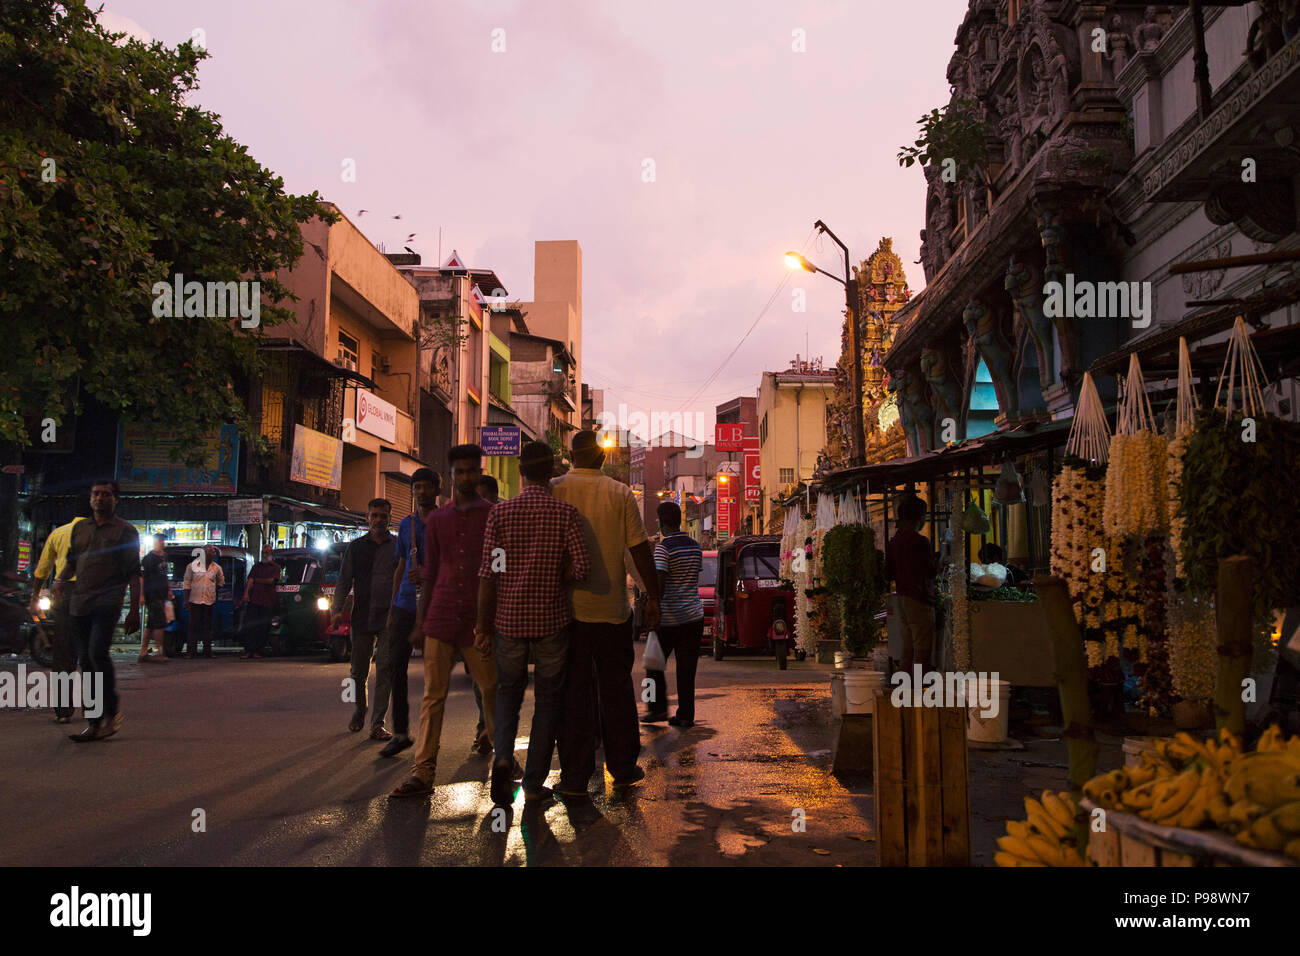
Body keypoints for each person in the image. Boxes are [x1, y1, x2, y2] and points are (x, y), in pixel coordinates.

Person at [476, 440, 590, 805]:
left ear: (522, 472)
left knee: (507, 696)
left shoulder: (500, 514)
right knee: (548, 702)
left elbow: (489, 573)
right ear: (552, 472)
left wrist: (482, 627)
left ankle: (505, 757)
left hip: (508, 621)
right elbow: (582, 567)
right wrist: (559, 573)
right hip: (552, 621)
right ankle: (534, 783)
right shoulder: (565, 513)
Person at [550, 430, 661, 796]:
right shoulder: (620, 492)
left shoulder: (553, 489)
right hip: (613, 611)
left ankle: (575, 777)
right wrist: (653, 597)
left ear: (572, 456)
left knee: (574, 695)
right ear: (600, 458)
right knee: (616, 692)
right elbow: (639, 550)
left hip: (568, 614)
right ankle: (624, 767)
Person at [389, 445, 499, 799]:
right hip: (439, 617)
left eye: (472, 471)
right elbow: (430, 573)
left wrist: (492, 622)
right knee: (433, 697)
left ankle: (506, 760)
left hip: (478, 622)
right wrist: (420, 622)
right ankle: (422, 772)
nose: (466, 477)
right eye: (460, 472)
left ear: (479, 473)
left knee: (493, 689)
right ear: (450, 476)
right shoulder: (436, 521)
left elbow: (499, 571)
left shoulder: (493, 516)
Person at [54, 481, 140, 742]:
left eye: (106, 494)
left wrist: (134, 610)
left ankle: (111, 712)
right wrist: (59, 581)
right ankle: (93, 722)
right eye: (96, 494)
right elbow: (71, 561)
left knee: (96, 653)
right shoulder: (81, 528)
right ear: (90, 499)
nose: (100, 498)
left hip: (108, 600)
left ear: (115, 500)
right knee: (85, 662)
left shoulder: (125, 531)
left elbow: (134, 573)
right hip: (80, 602)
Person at [381, 468, 441, 757]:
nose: (421, 492)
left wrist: (428, 573)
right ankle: (401, 732)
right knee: (396, 667)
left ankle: (476, 729)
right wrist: (393, 607)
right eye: (417, 487)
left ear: (437, 490)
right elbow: (401, 566)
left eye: (427, 486)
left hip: (438, 604)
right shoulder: (406, 525)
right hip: (405, 603)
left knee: (436, 673)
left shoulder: (447, 523)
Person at [332, 499, 396, 740]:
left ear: (390, 517)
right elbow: (344, 580)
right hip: (362, 617)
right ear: (367, 518)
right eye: (374, 516)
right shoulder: (356, 547)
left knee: (385, 669)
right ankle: (360, 709)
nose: (379, 520)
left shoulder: (397, 546)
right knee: (358, 671)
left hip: (389, 618)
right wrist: (336, 609)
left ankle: (377, 723)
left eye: (383, 516)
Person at [642, 501, 703, 728]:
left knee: (653, 664)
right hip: (693, 616)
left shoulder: (663, 548)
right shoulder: (695, 546)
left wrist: (652, 607)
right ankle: (686, 715)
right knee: (687, 669)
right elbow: (692, 578)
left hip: (667, 618)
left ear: (662, 521)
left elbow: (660, 581)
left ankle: (655, 709)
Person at [30, 515, 86, 722]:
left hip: (64, 594)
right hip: (89, 592)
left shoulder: (58, 533)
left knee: (63, 655)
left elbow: (42, 568)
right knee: (92, 654)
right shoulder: (97, 533)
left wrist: (35, 596)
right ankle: (93, 710)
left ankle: (63, 711)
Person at [885, 494, 938, 673]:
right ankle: (917, 691)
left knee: (907, 647)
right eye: (924, 517)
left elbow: (889, 572)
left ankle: (905, 690)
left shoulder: (894, 542)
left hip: (901, 597)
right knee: (922, 650)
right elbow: (929, 572)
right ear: (919, 517)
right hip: (919, 599)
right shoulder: (920, 542)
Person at [182, 545, 224, 659]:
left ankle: (207, 651)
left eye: (213, 553)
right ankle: (191, 651)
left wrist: (212, 590)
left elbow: (221, 582)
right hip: (195, 600)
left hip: (209, 601)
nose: (212, 554)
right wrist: (186, 600)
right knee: (193, 627)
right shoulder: (192, 566)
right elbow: (186, 583)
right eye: (210, 552)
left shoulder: (217, 568)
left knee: (207, 627)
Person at [239, 545, 281, 659]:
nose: (265, 554)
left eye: (267, 552)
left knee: (263, 627)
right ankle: (249, 650)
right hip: (254, 599)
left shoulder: (275, 567)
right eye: (264, 552)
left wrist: (257, 580)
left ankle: (258, 650)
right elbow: (250, 580)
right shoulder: (256, 566)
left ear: (271, 553)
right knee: (250, 626)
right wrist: (246, 593)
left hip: (267, 601)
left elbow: (271, 581)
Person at [138, 533, 172, 662]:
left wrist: (168, 589)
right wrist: (141, 595)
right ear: (155, 542)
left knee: (151, 624)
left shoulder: (165, 557)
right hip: (152, 594)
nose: (162, 543)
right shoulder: (148, 558)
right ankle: (159, 651)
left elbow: (165, 575)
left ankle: (143, 652)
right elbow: (141, 577)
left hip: (162, 594)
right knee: (159, 624)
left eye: (163, 540)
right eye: (160, 540)